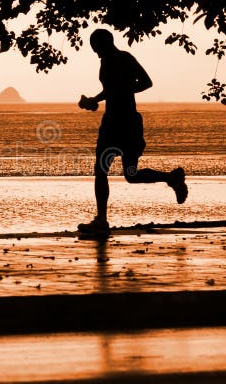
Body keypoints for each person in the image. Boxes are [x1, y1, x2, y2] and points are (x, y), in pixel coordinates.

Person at [77, 28, 187, 239]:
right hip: (125, 123)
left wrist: (103, 97)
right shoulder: (116, 59)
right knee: (129, 174)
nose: (95, 52)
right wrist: (99, 98)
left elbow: (136, 85)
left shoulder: (118, 59)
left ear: (104, 43)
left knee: (104, 171)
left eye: (96, 47)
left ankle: (101, 220)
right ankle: (171, 178)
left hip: (118, 124)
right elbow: (122, 88)